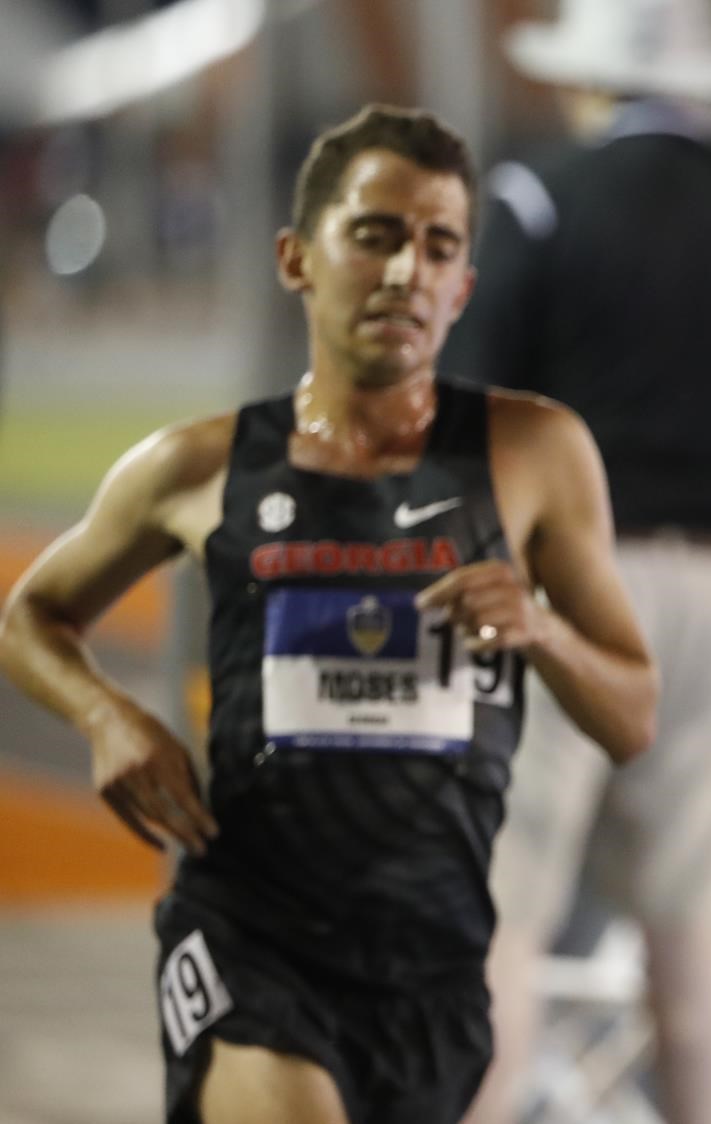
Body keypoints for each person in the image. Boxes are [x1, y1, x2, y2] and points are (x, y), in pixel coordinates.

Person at [0, 104, 657, 1124]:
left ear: (463, 289)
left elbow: (632, 711)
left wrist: (543, 628)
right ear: (297, 257)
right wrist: (108, 717)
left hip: (434, 963)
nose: (405, 271)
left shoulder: (533, 454)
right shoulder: (199, 465)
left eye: (438, 246)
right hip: (250, 931)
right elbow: (30, 616)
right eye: (376, 233)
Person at [444, 2, 711, 1121]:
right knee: (689, 918)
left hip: (568, 579)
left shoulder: (540, 197)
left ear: (589, 83)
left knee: (505, 913)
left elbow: (473, 416)